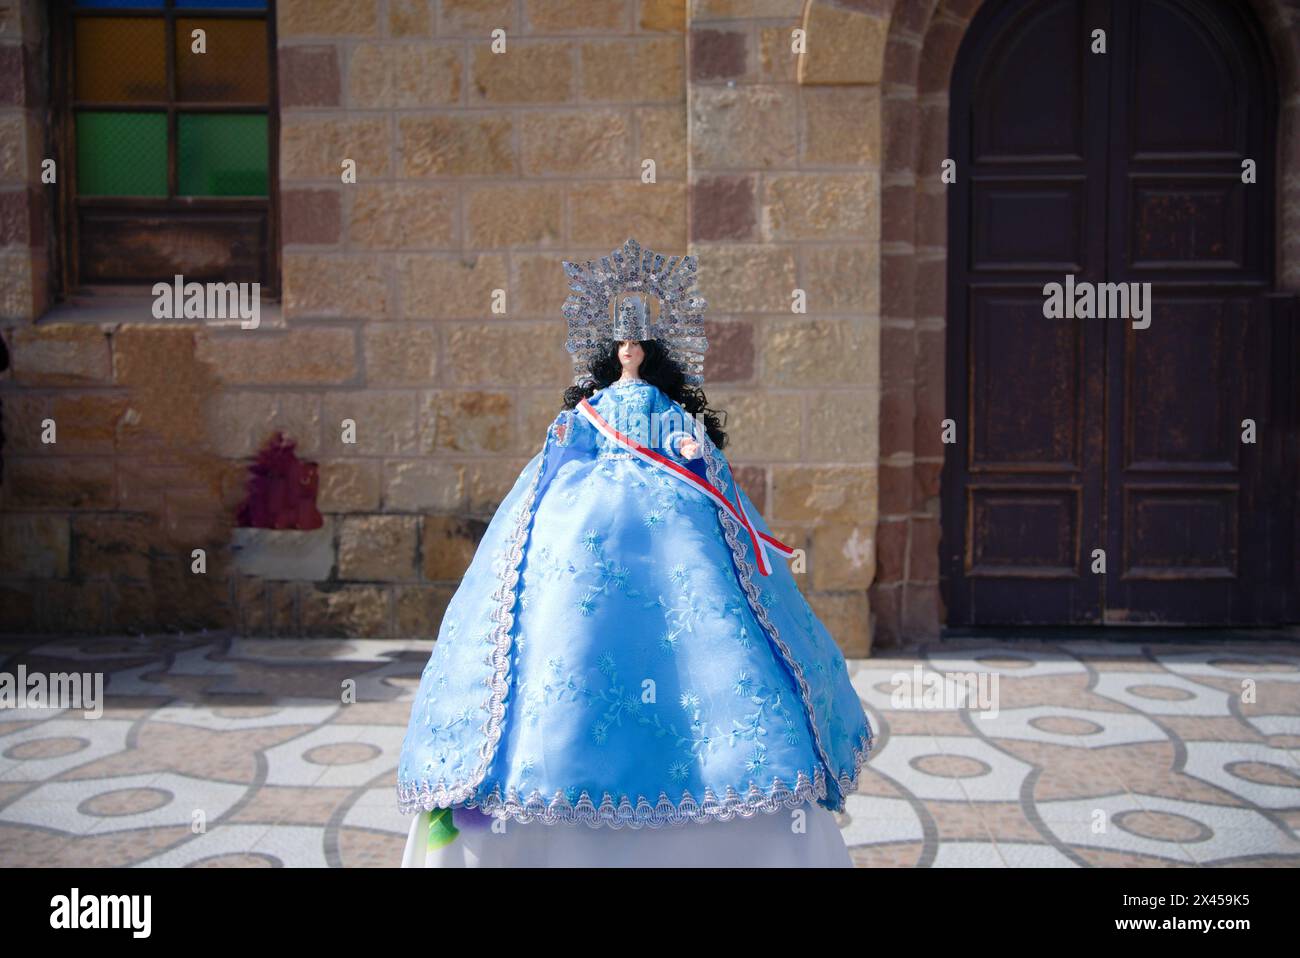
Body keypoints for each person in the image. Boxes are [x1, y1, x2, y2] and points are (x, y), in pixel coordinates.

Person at [396, 238, 874, 867]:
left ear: (652, 351)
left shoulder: (666, 408)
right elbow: (567, 448)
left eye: (638, 343)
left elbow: (689, 448)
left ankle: (723, 766)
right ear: (608, 349)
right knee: (570, 619)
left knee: (697, 605)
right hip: (587, 515)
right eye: (621, 343)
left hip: (671, 511)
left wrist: (696, 457)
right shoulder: (592, 409)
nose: (629, 350)